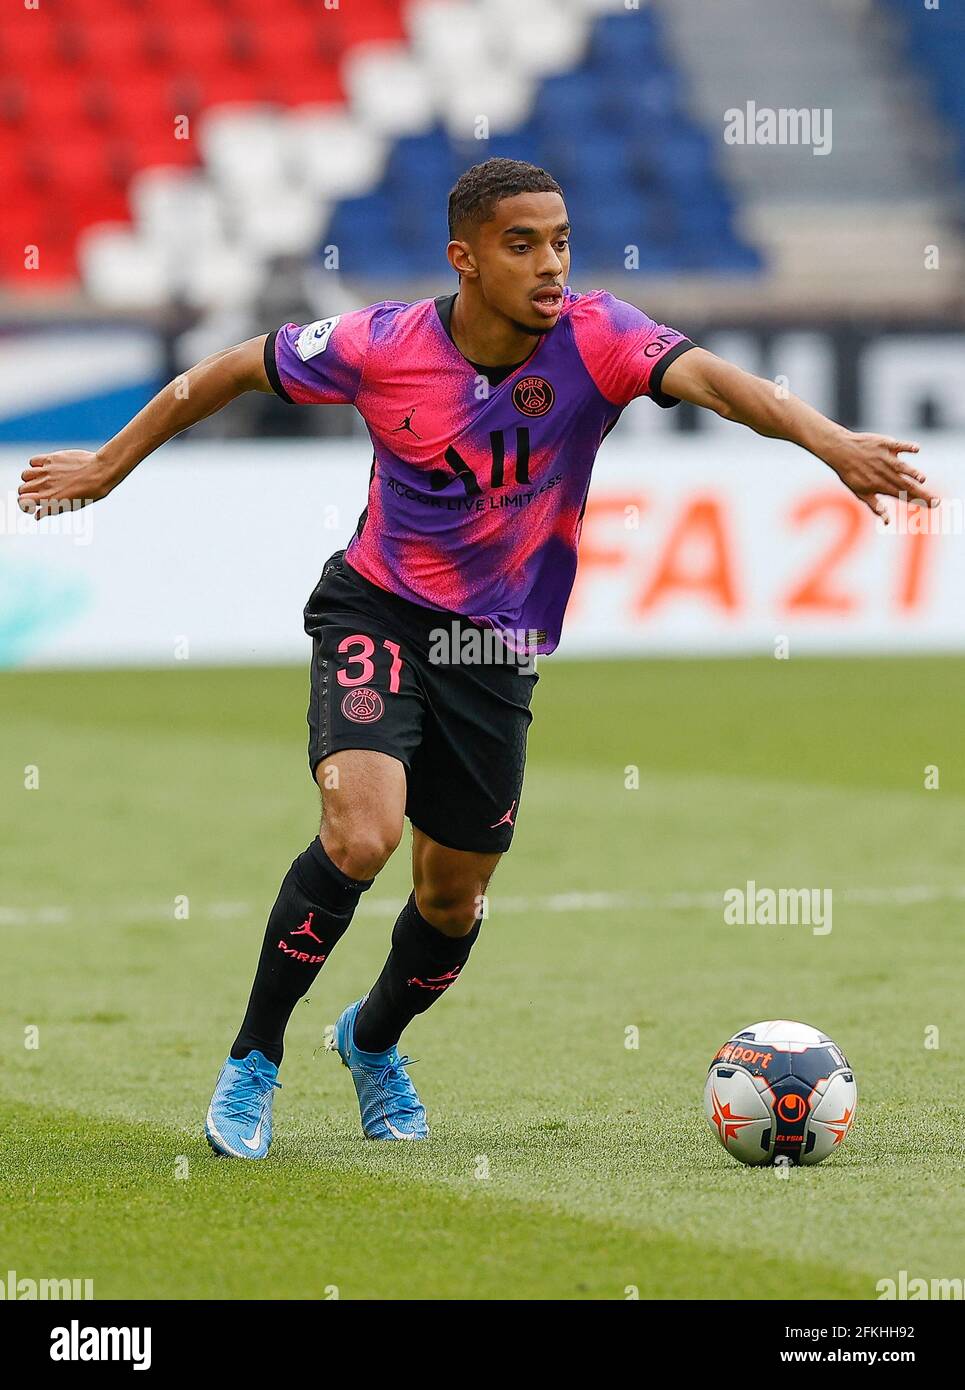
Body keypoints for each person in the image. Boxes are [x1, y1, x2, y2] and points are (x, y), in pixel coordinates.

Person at [18, 158, 936, 1155]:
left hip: (493, 652)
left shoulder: (599, 337)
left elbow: (718, 383)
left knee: (451, 898)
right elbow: (234, 368)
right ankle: (253, 1059)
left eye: (560, 242)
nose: (550, 265)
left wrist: (827, 441)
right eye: (521, 244)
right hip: (375, 610)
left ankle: (370, 1041)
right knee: (359, 835)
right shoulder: (379, 344)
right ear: (463, 258)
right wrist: (108, 464)